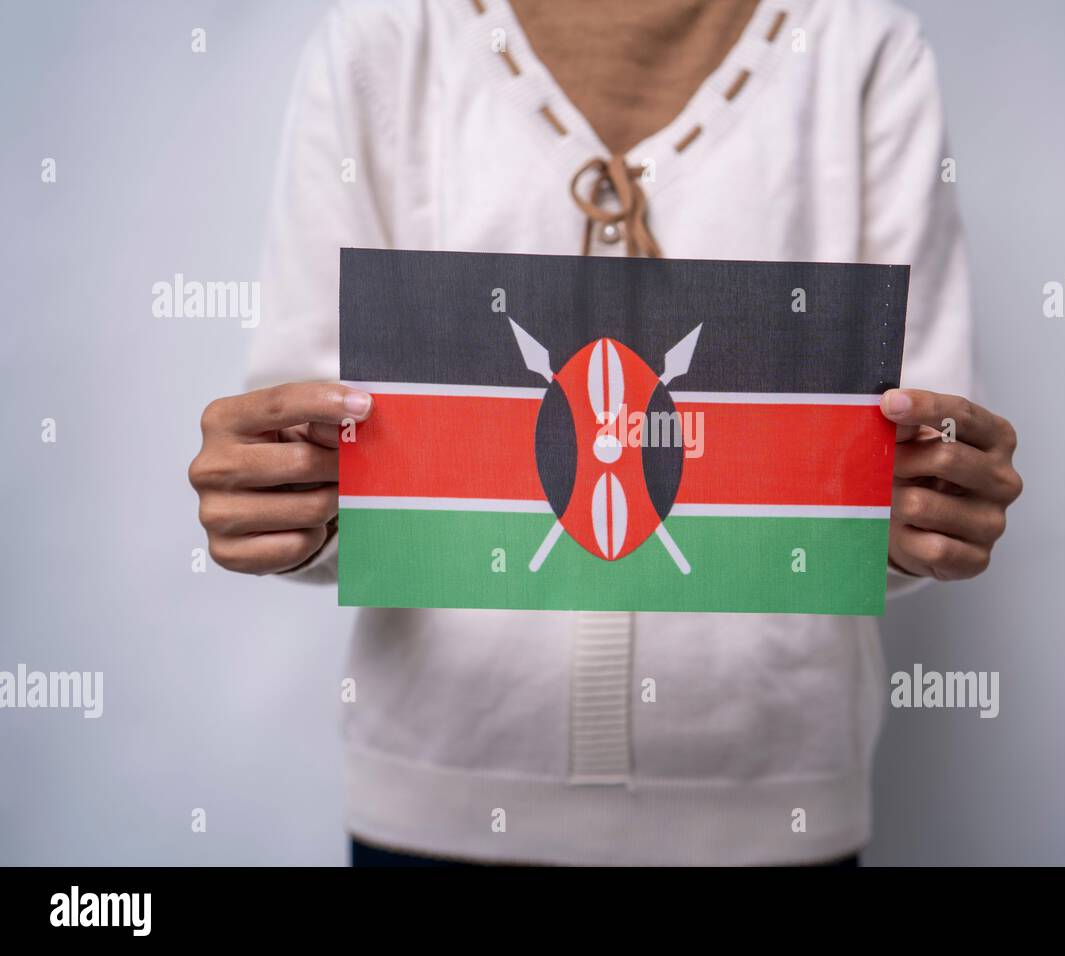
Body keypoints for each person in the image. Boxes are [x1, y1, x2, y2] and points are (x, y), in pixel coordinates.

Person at [187, 0, 1022, 866]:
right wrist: (286, 507)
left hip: (775, 811)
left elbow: (917, 462)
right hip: (435, 808)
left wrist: (923, 512)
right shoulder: (384, 39)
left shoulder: (863, 47)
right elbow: (317, 455)